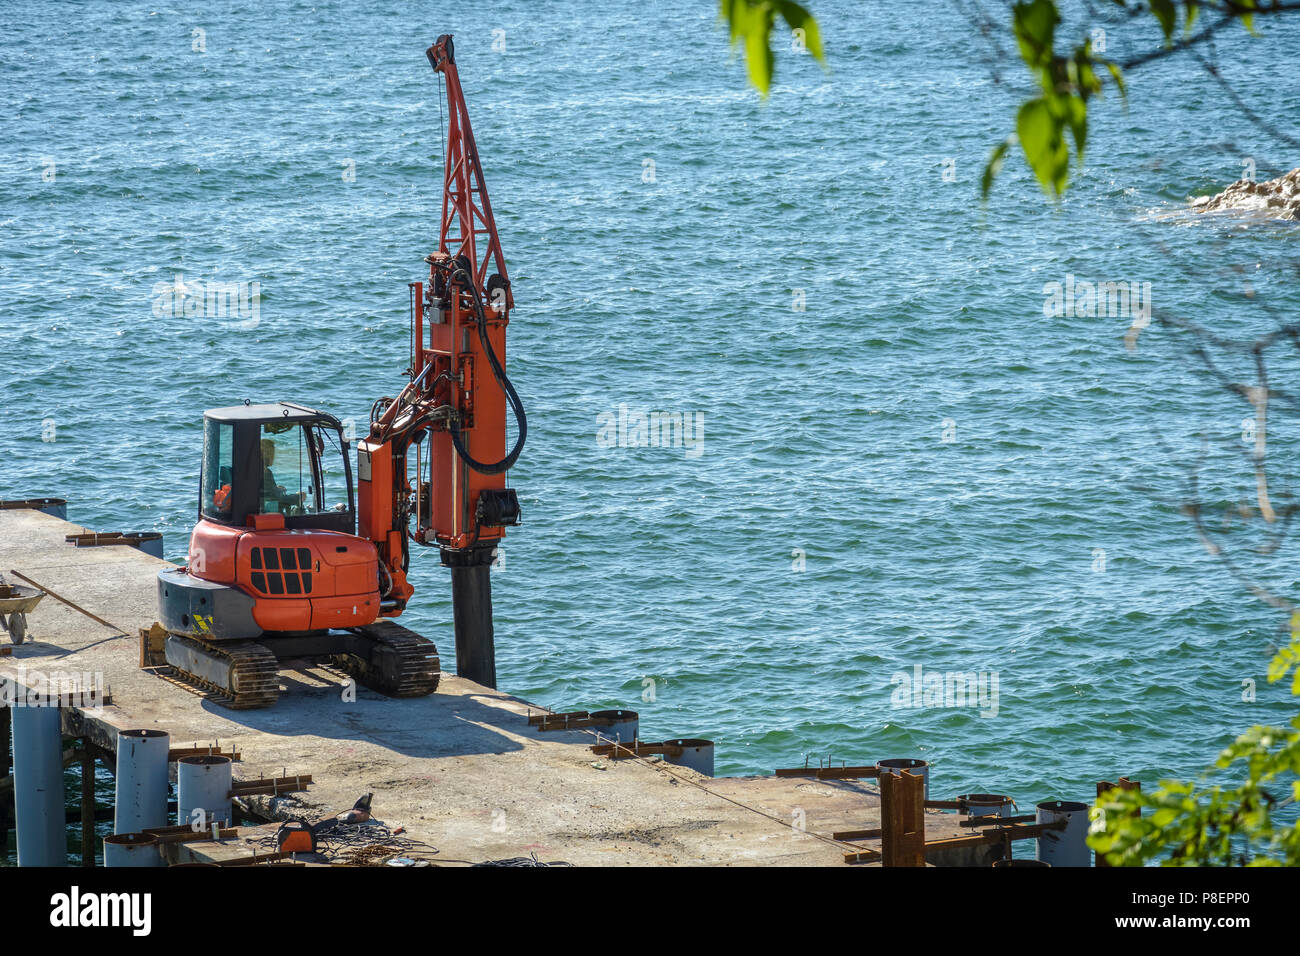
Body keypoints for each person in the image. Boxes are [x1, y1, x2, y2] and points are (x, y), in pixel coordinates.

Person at [261, 438, 305, 511]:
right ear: (267, 455)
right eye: (273, 453)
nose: (274, 457)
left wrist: (278, 489)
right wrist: (298, 497)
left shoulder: (256, 470)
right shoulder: (265, 472)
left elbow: (268, 493)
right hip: (269, 514)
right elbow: (279, 499)